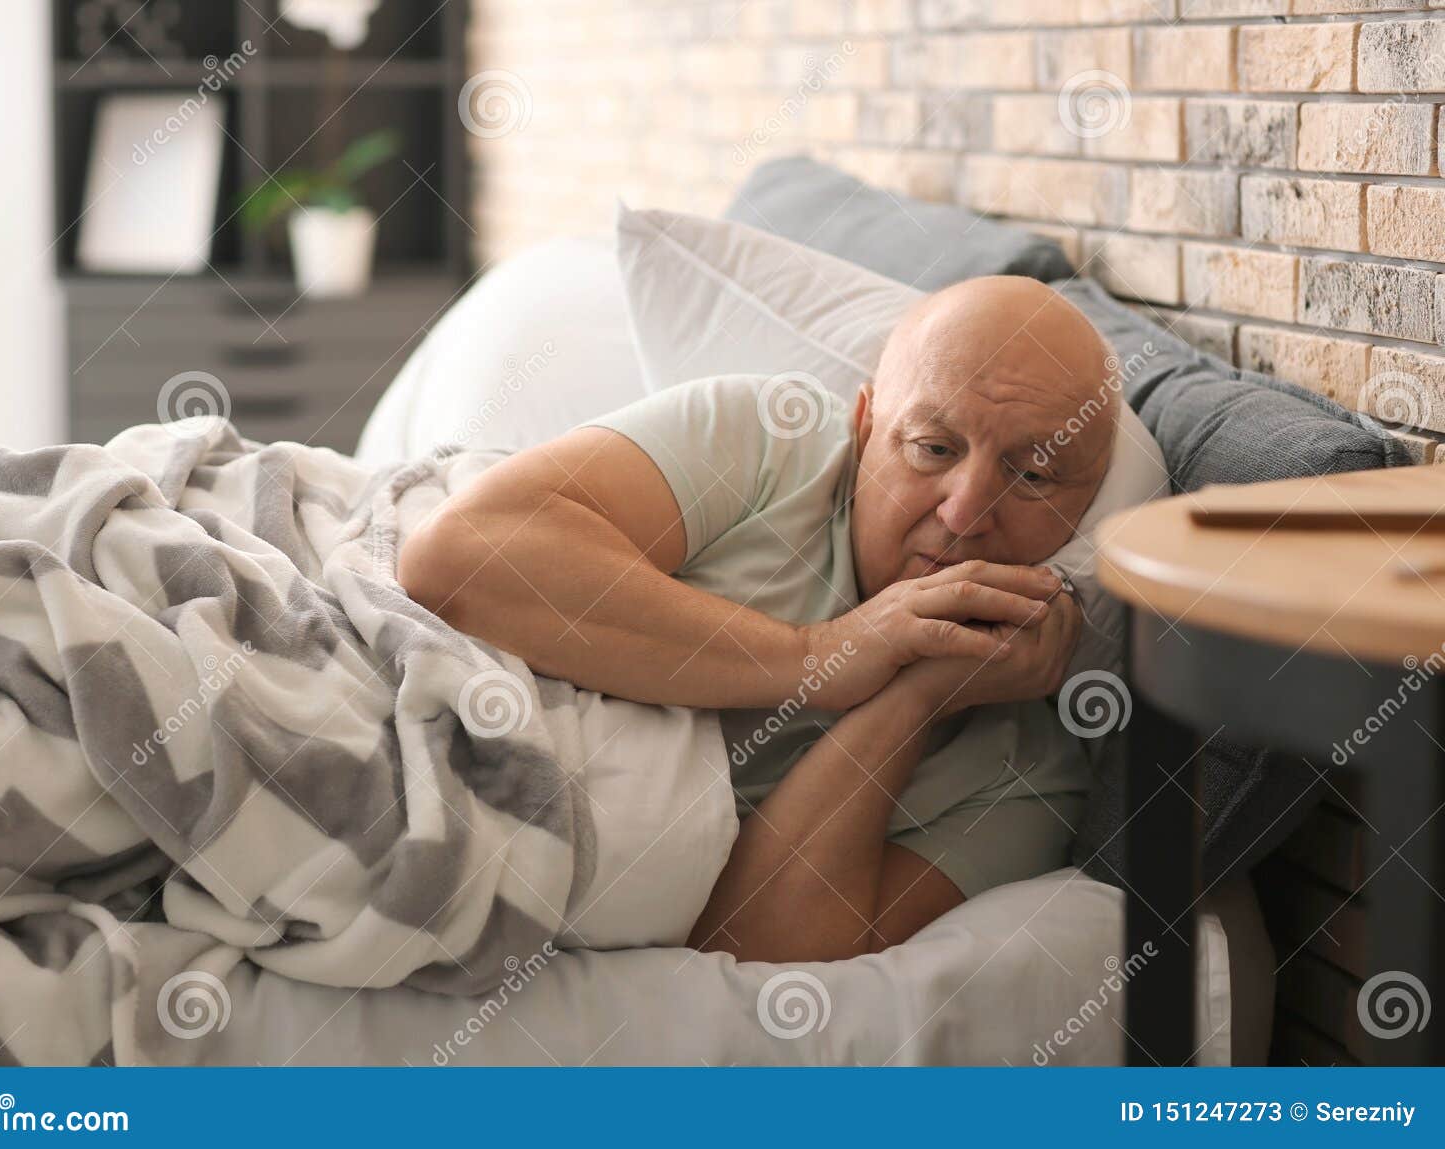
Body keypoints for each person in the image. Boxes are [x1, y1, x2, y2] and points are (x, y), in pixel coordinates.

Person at [398, 275, 1120, 963]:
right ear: (865, 427)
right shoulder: (771, 444)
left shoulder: (1027, 774)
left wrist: (915, 698)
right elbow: (454, 558)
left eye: (1032, 475)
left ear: (1087, 505)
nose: (966, 512)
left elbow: (750, 953)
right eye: (933, 449)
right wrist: (820, 657)